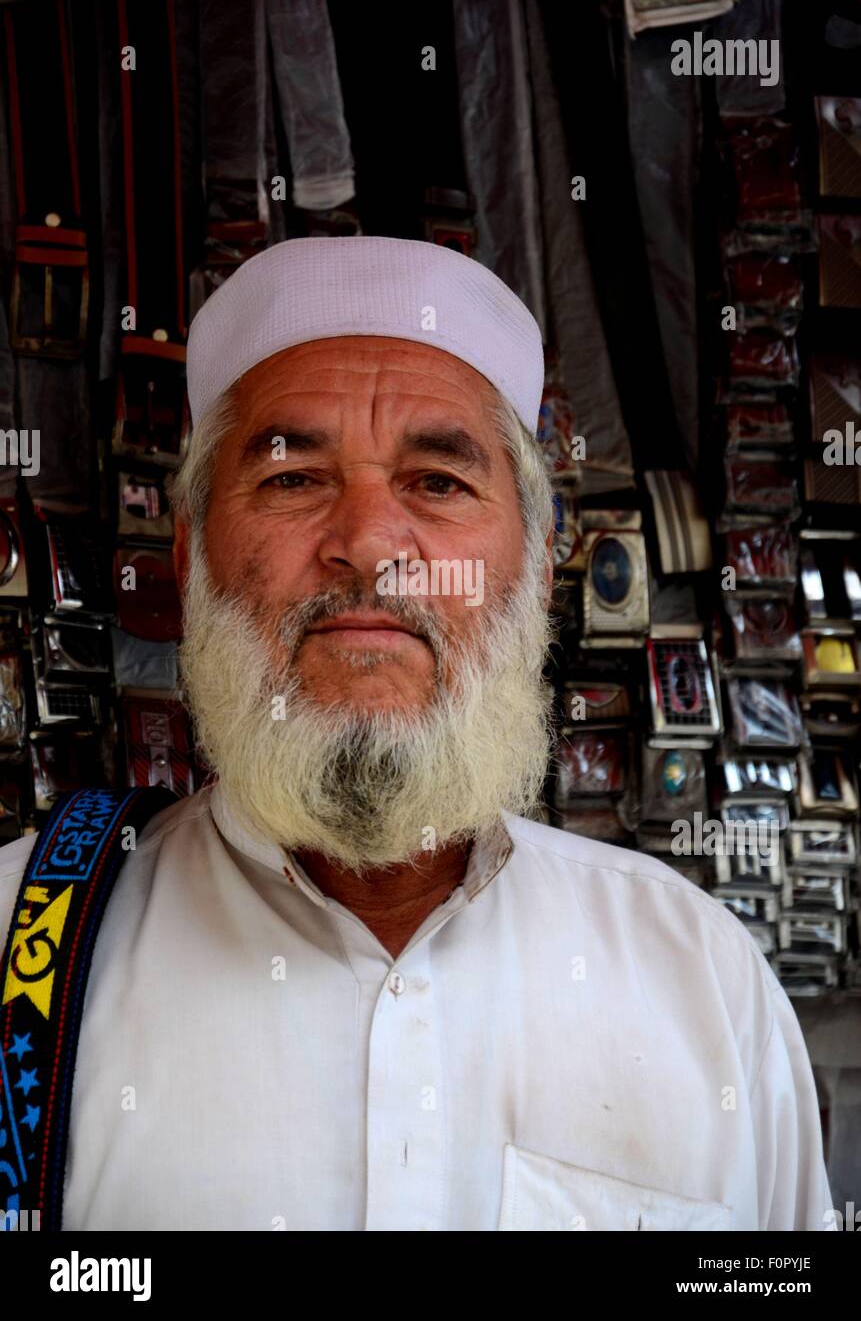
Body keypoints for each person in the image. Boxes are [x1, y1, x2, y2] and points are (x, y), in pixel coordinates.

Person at [0, 237, 832, 1230]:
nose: (370, 546)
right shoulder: (22, 946)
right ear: (191, 554)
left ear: (535, 559)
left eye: (438, 482)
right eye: (293, 476)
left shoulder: (698, 977)